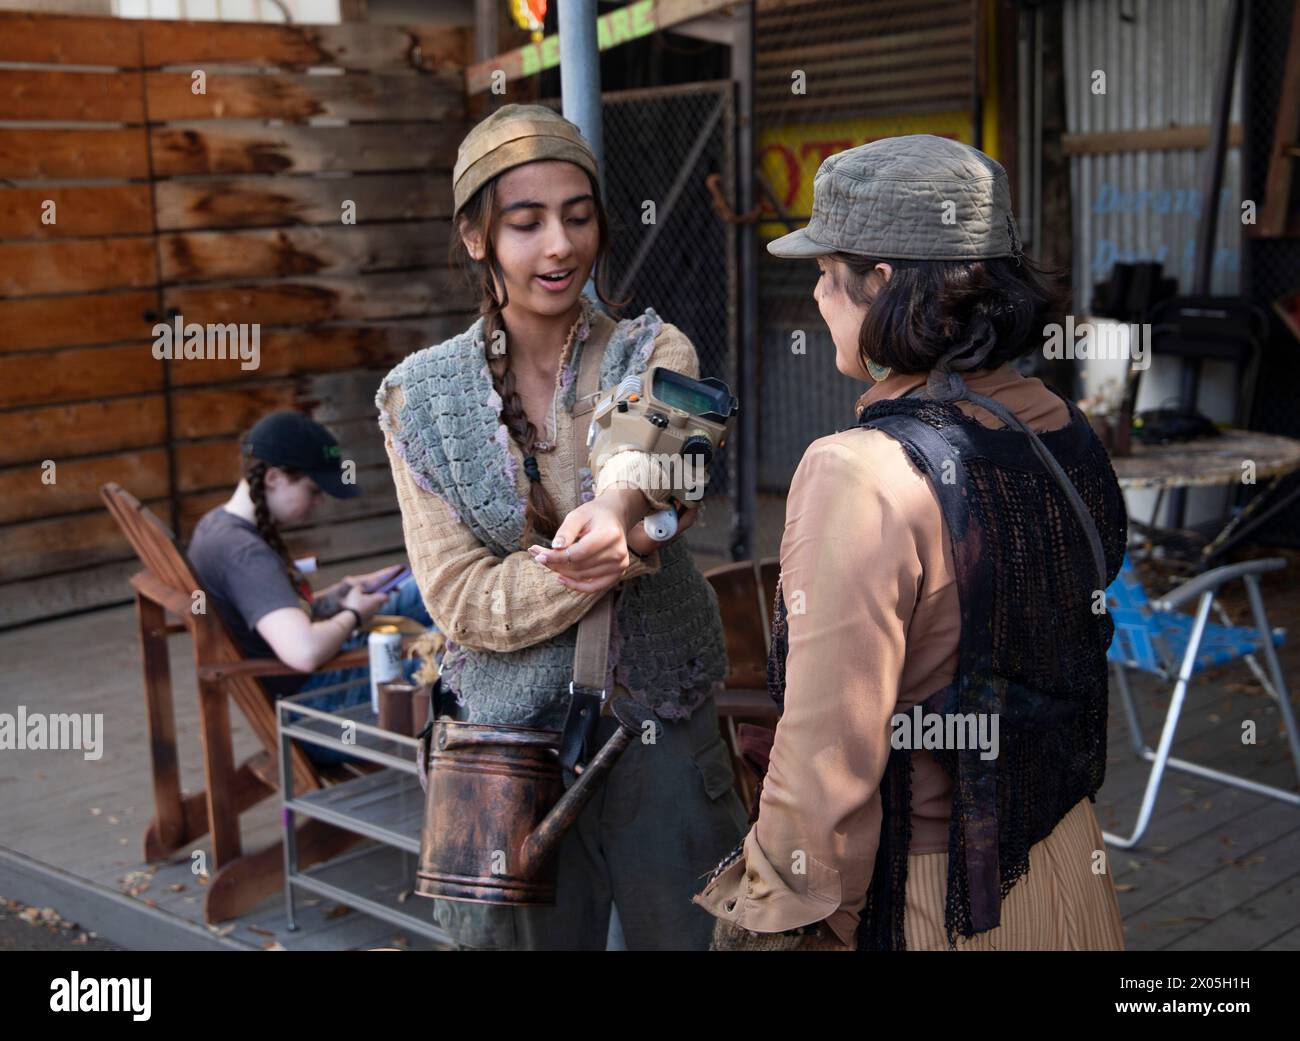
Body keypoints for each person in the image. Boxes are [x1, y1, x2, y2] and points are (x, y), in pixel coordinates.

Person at [694, 135, 1130, 951]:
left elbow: (825, 762)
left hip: (936, 900)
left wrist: (770, 921)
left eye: (827, 272)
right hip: (1072, 870)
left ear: (883, 283)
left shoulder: (859, 472)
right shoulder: (1062, 428)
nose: (819, 295)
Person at [375, 103, 746, 950]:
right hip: (510, 744)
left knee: (701, 939)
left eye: (579, 218)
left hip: (662, 716)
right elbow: (462, 600)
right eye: (527, 221)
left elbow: (648, 452)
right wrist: (622, 551)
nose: (560, 246)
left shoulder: (655, 350)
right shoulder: (417, 398)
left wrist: (621, 511)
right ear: (475, 237)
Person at [187, 410, 435, 766]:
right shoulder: (244, 553)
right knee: (452, 637)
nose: (319, 502)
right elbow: (303, 651)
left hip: (315, 688)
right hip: (318, 711)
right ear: (273, 478)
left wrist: (337, 595)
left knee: (432, 583)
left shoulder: (216, 527)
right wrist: (352, 614)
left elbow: (273, 617)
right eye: (313, 490)